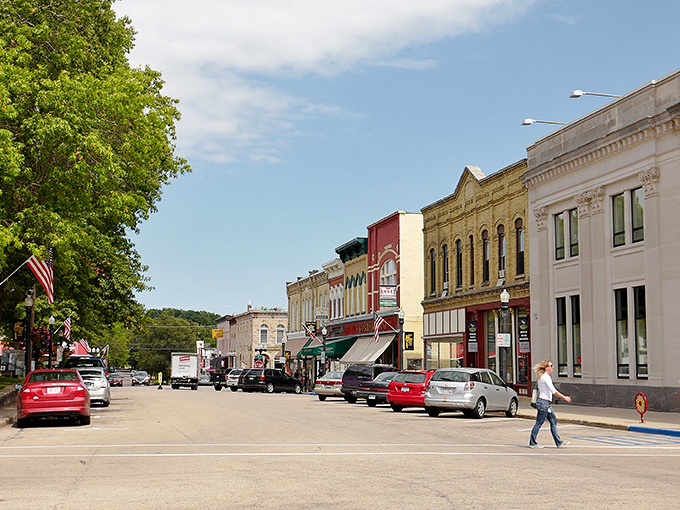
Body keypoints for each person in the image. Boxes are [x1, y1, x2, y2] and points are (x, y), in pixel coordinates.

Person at [529, 360, 572, 448]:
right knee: (539, 423)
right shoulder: (545, 377)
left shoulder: (543, 377)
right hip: (544, 403)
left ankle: (559, 442)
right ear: (546, 368)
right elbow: (553, 391)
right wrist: (565, 397)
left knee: (553, 421)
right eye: (551, 365)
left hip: (545, 403)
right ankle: (532, 443)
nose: (552, 367)